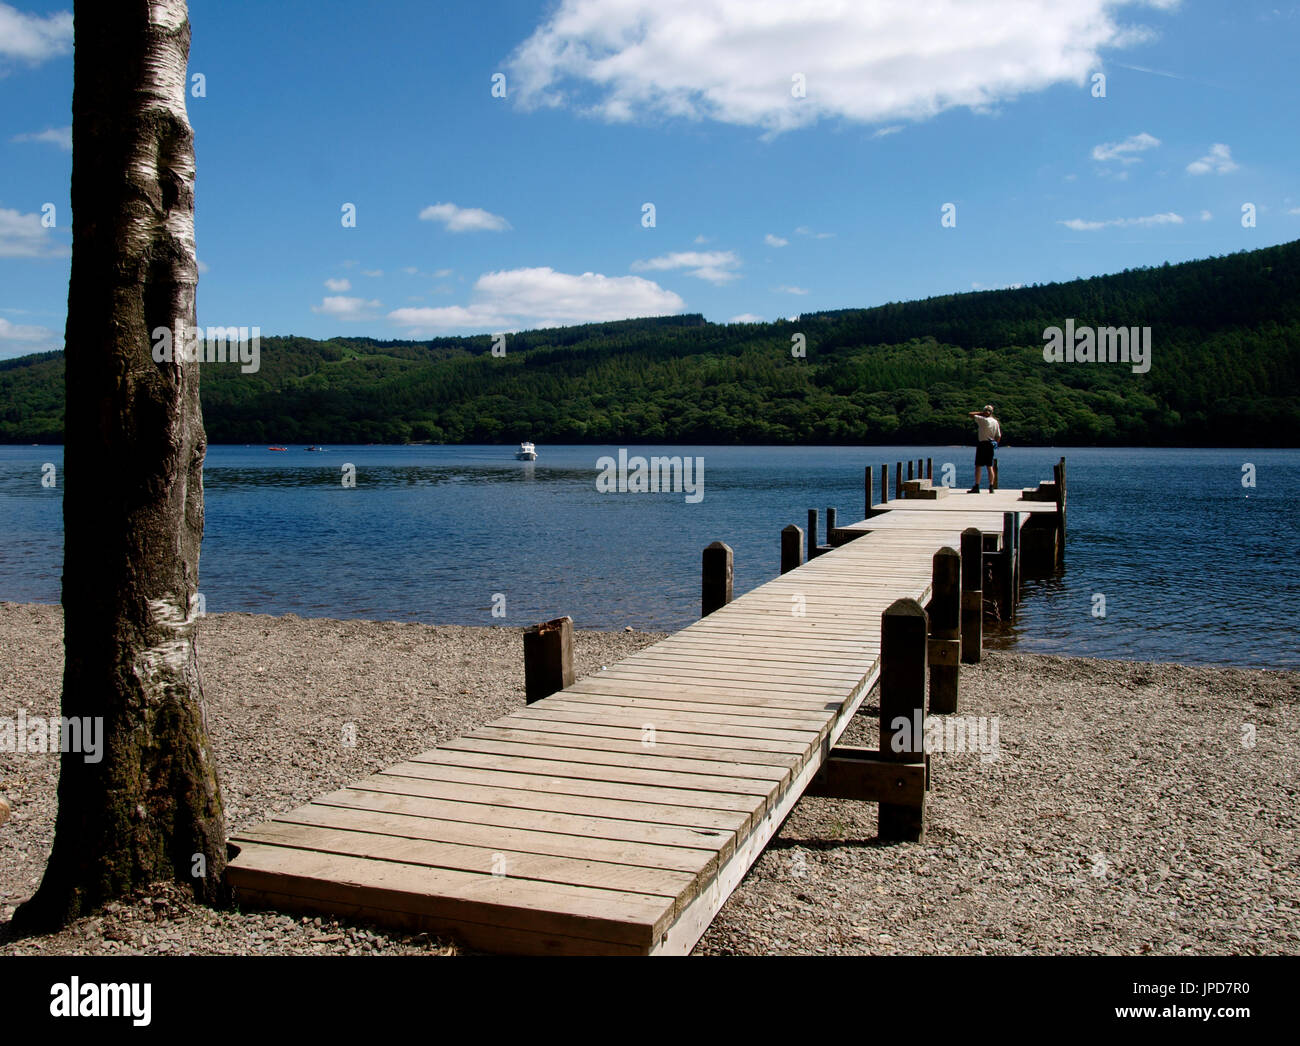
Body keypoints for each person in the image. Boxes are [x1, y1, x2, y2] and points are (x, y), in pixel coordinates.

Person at [967, 405, 1002, 493]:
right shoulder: (995, 422)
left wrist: (981, 413)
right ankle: (991, 486)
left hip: (982, 444)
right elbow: (998, 435)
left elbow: (970, 414)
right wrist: (996, 444)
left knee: (978, 466)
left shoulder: (983, 420)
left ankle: (977, 486)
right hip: (991, 444)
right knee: (989, 466)